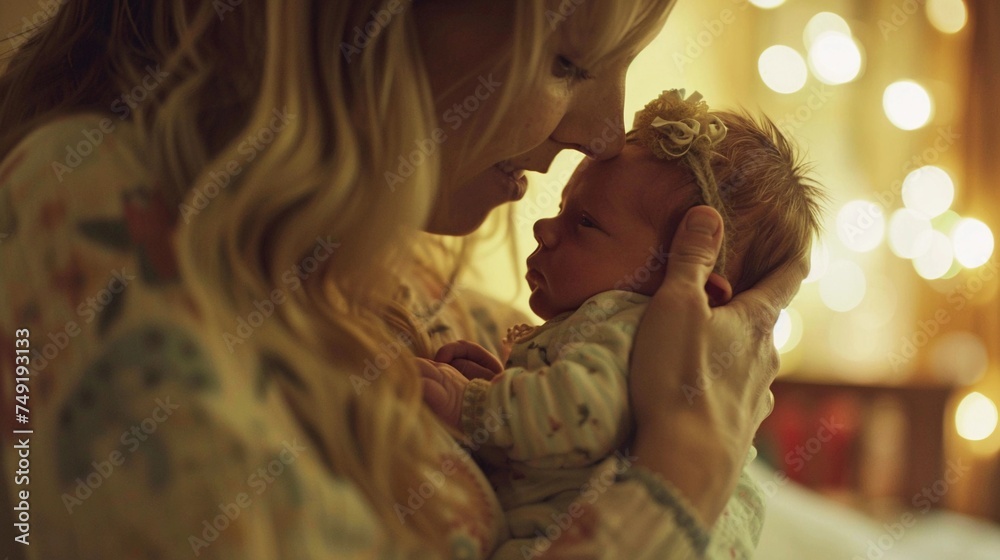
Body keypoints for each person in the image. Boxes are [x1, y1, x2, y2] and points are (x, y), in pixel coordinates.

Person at [0, 1, 805, 558]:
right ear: (363, 27)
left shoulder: (395, 285)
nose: (601, 135)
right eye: (567, 60)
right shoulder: (87, 214)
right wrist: (687, 466)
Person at [418, 89, 825, 559]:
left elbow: (576, 415)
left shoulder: (625, 323)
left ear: (693, 289)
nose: (544, 230)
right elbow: (588, 422)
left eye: (585, 222)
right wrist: (510, 383)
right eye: (562, 209)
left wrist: (470, 404)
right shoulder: (631, 349)